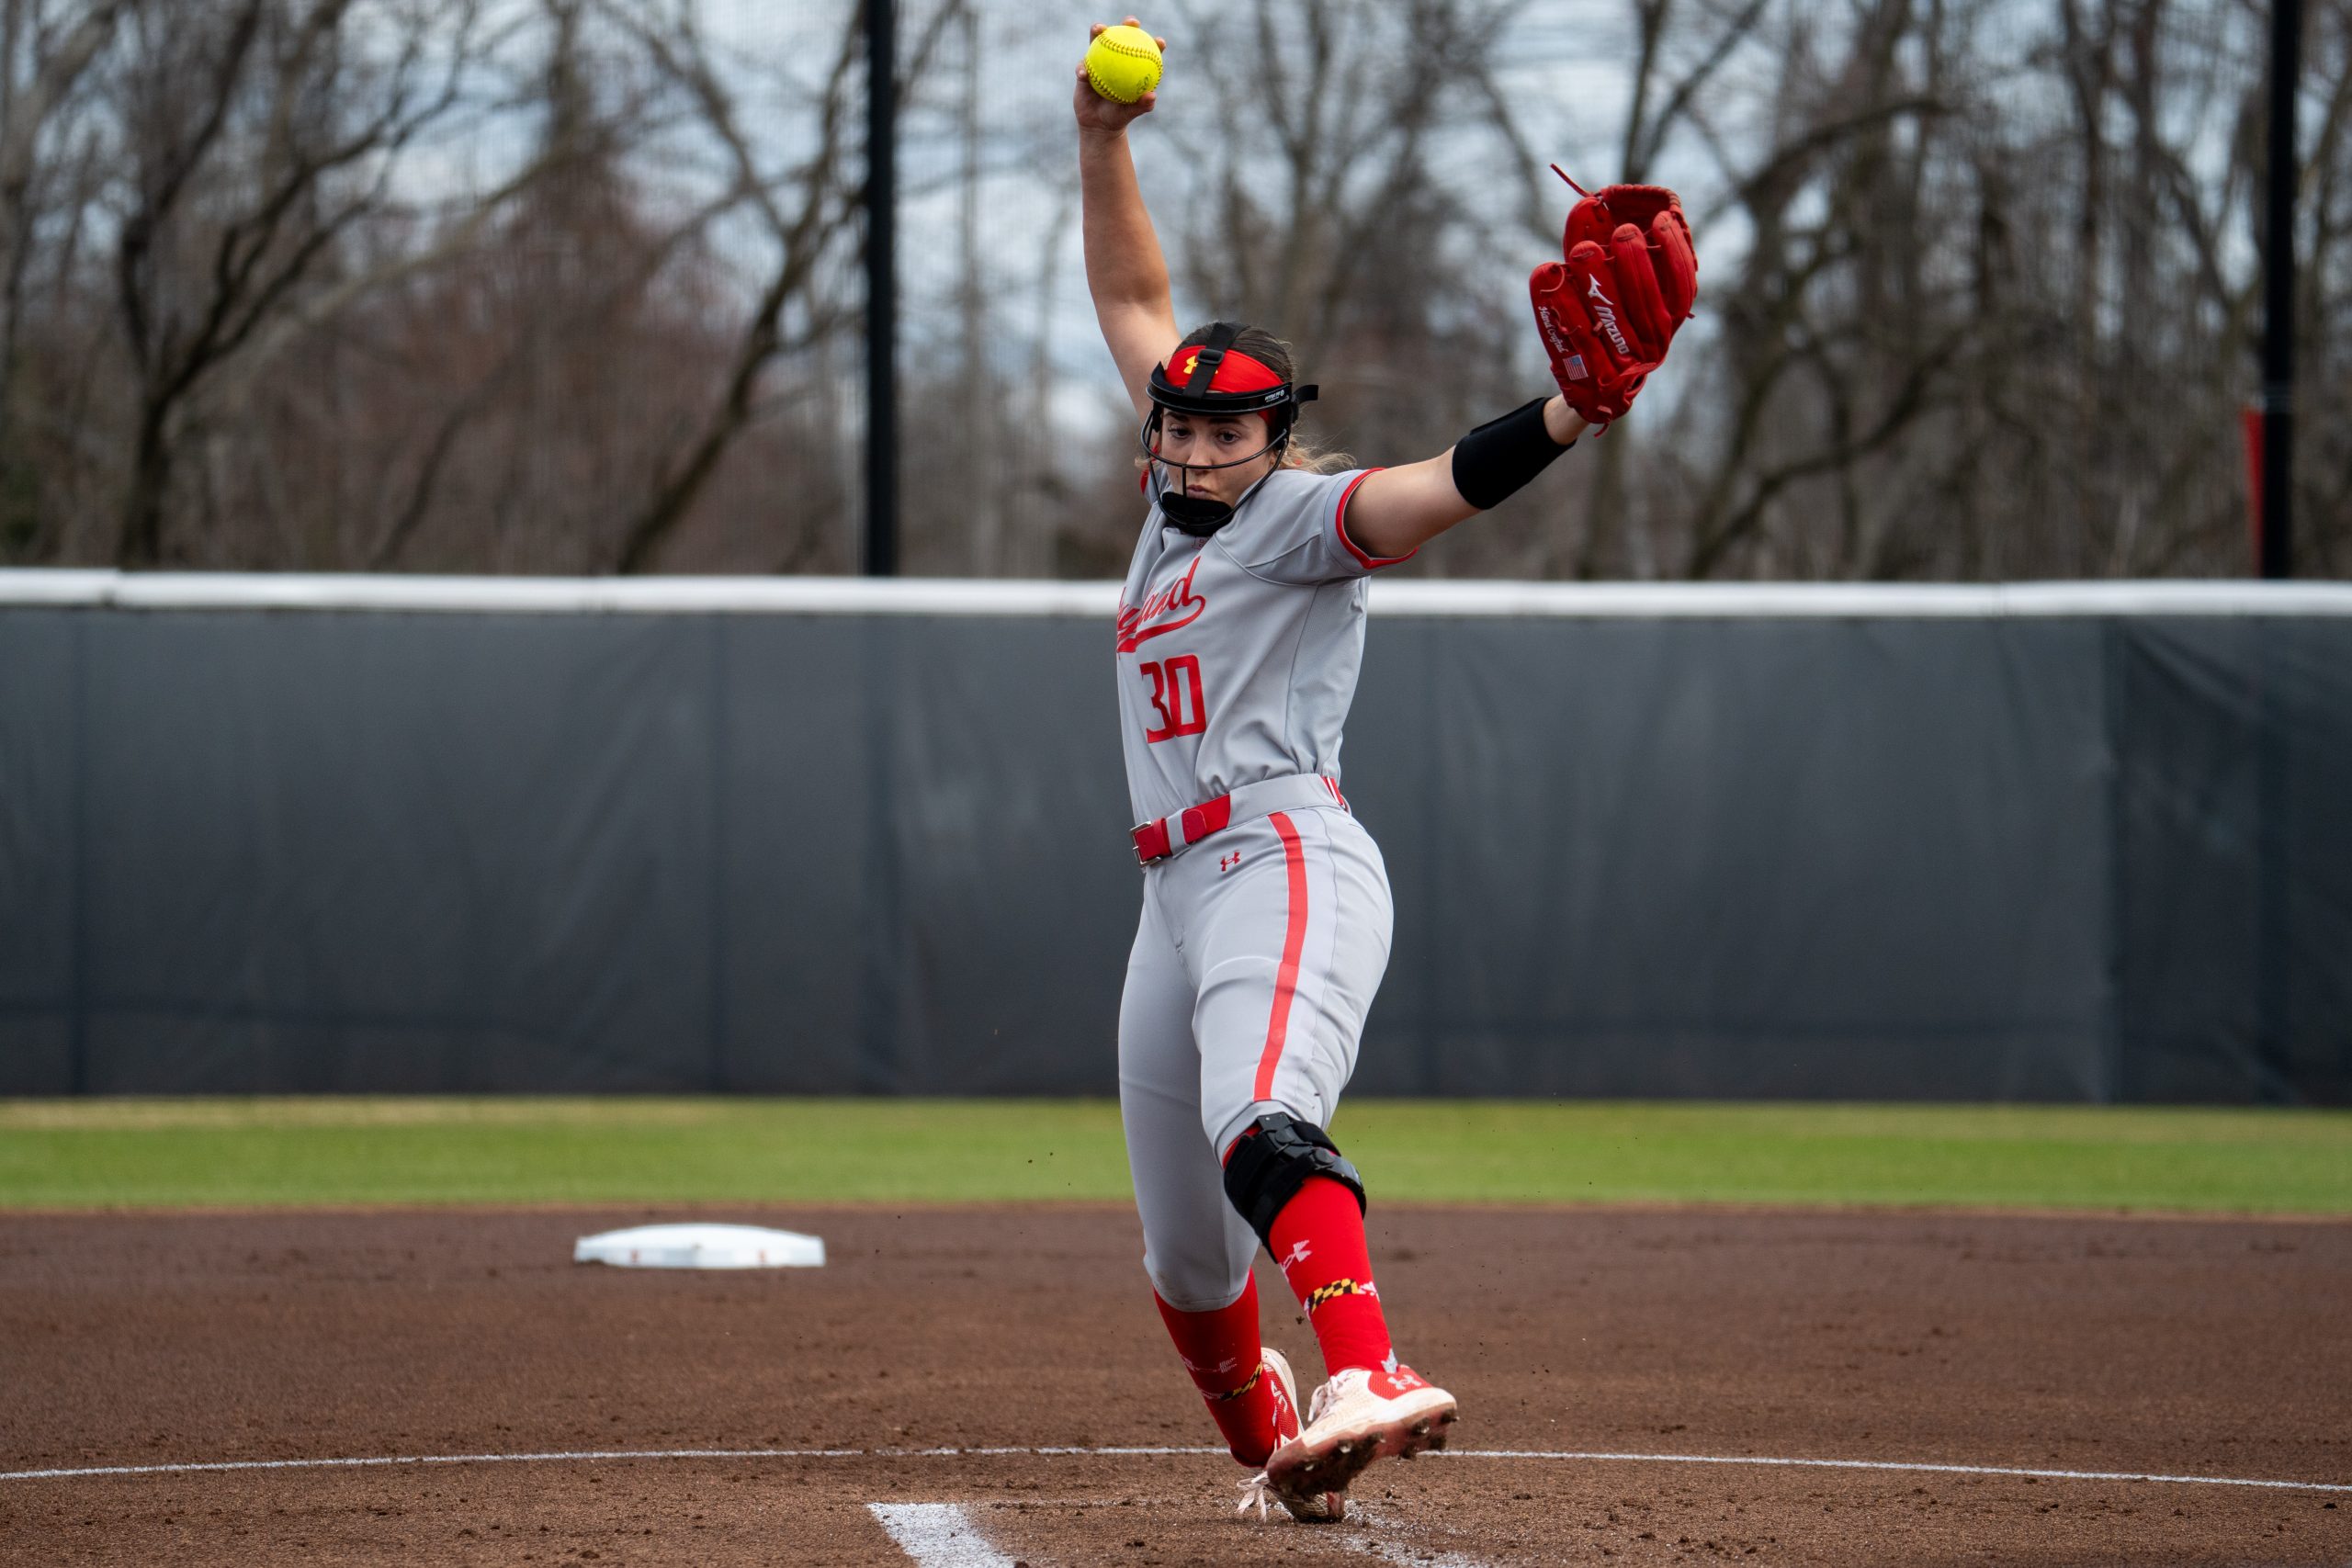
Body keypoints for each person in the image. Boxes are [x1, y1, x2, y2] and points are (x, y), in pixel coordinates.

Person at [1075, 17, 1619, 1526]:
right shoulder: (1170, 505)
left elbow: (1441, 485)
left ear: (1275, 434)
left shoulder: (1297, 519)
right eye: (1177, 419)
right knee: (1187, 1257)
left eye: (1225, 423)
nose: (1193, 442)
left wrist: (1575, 409)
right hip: (1168, 893)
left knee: (1259, 1119)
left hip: (1278, 855)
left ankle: (1369, 1370)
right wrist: (1103, 142)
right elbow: (1132, 293)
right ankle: (1284, 1459)